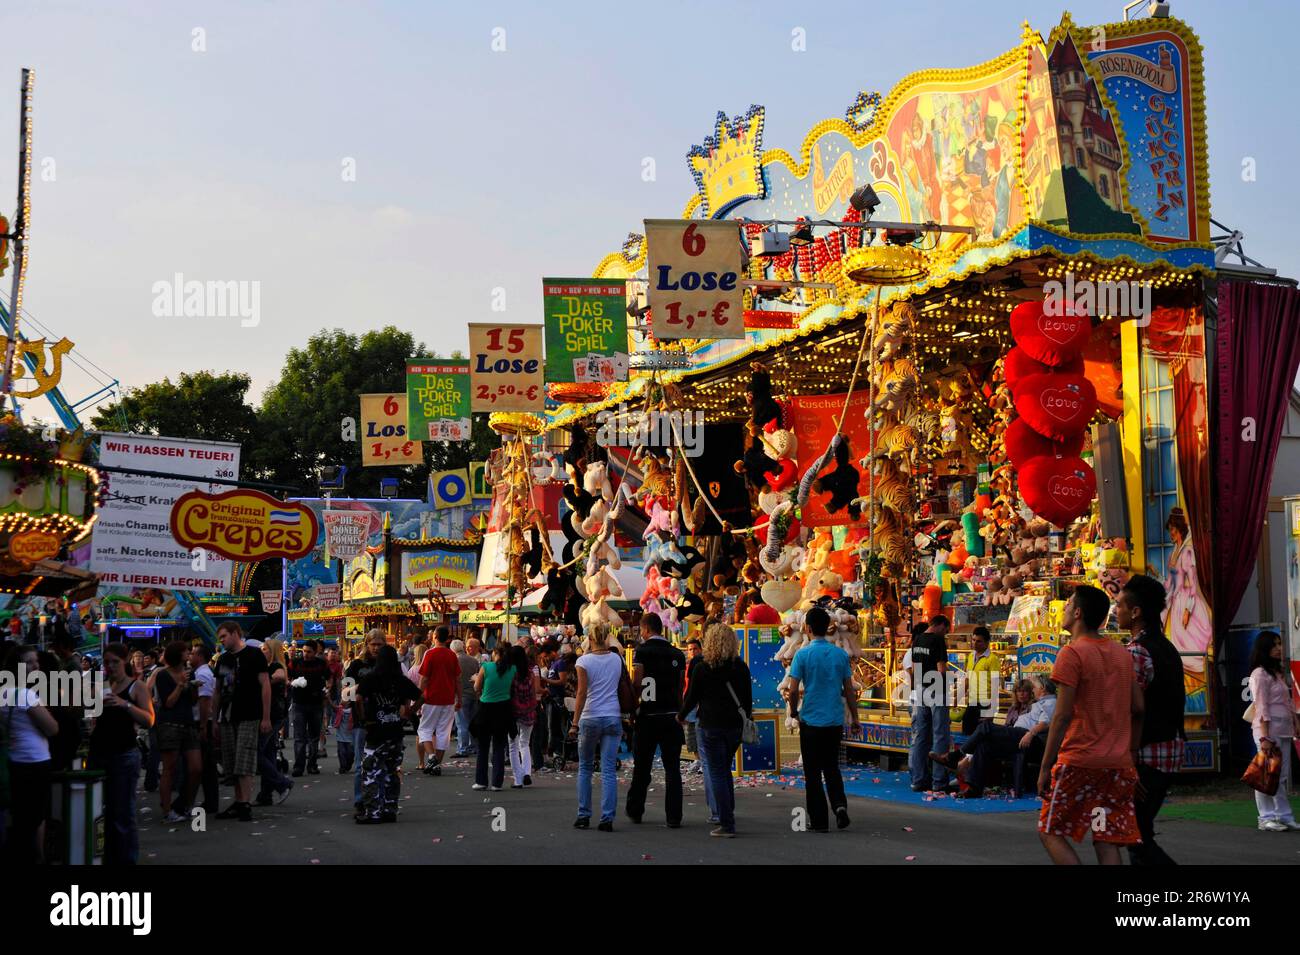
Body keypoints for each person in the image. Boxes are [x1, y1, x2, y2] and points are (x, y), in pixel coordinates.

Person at [1038, 585, 1143, 864]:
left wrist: (1046, 766)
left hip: (1080, 760)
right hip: (1117, 764)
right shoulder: (1122, 654)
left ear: (1078, 612)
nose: (1064, 608)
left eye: (1068, 603)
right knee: (1104, 835)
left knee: (1050, 830)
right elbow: (1139, 708)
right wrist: (1130, 753)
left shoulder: (1071, 654)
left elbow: (1060, 717)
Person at [1117, 574, 1186, 863]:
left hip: (1147, 753)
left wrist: (1128, 756)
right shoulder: (1165, 646)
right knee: (1138, 832)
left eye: (1120, 604)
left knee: (1136, 835)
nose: (1115, 610)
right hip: (1168, 745)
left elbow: (1131, 709)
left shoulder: (1136, 652)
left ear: (1136, 612)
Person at [787, 606, 859, 832]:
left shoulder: (802, 655)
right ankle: (839, 806)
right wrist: (855, 717)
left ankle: (818, 820)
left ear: (807, 628)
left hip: (810, 721)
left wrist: (793, 711)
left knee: (812, 773)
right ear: (828, 626)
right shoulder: (840, 654)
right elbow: (848, 690)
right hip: (834, 720)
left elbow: (792, 688)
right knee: (831, 767)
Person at [678, 623, 752, 837]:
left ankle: (725, 821)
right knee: (725, 767)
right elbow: (747, 699)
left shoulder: (703, 667)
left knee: (717, 771)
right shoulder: (740, 667)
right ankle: (728, 812)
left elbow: (691, 697)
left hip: (710, 724)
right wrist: (745, 719)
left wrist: (681, 716)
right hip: (734, 727)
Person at [932, 674, 1056, 797]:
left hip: (1030, 739)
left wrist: (1030, 734)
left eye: (1034, 687)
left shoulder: (1050, 702)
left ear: (1043, 688)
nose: (1033, 690)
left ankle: (956, 756)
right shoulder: (1038, 703)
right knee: (984, 745)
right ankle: (974, 788)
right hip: (1019, 736)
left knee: (986, 727)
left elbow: (1045, 723)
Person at [89, 643, 154, 864]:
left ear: (124, 661)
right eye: (107, 662)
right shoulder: (101, 686)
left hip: (124, 755)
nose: (110, 666)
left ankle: (127, 859)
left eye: (115, 662)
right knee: (100, 811)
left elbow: (149, 719)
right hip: (99, 752)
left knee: (122, 813)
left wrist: (125, 704)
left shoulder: (137, 687)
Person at [625, 613, 686, 827]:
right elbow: (680, 687)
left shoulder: (642, 652)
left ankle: (635, 810)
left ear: (645, 629)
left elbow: (638, 682)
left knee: (642, 766)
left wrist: (635, 707)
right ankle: (674, 816)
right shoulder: (677, 654)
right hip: (671, 715)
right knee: (673, 768)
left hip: (649, 715)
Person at [0, 644, 59, 863]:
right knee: (35, 818)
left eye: (36, 661)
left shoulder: (3, 693)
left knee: (22, 816)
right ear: (18, 667)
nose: (36, 665)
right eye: (29, 662)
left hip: (15, 759)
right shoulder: (25, 695)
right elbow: (52, 728)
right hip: (35, 762)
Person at [354, 644, 421, 823]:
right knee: (392, 771)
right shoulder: (400, 680)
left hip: (375, 730)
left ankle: (372, 812)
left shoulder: (371, 678)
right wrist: (410, 712)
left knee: (371, 772)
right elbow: (422, 696)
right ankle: (390, 809)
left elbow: (358, 698)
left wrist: (363, 718)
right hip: (395, 732)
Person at [212, 623, 271, 823]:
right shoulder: (223, 659)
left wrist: (266, 717)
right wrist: (214, 719)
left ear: (236, 633)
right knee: (231, 761)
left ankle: (245, 803)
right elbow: (217, 691)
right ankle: (238, 802)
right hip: (228, 716)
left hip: (249, 714)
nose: (221, 640)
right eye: (220, 638)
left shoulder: (254, 655)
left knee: (244, 759)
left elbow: (265, 684)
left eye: (224, 636)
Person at [569, 623, 625, 830]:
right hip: (612, 715)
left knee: (585, 767)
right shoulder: (617, 659)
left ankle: (584, 814)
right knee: (609, 769)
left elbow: (582, 693)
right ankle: (607, 818)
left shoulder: (583, 661)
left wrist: (574, 723)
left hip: (590, 716)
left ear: (590, 639)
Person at [1246, 630, 1298, 831]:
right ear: (1264, 648)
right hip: (1267, 729)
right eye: (1274, 644)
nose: (1279, 648)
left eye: (1279, 644)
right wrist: (1265, 736)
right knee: (1266, 773)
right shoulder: (1259, 674)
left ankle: (1283, 815)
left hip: (1284, 728)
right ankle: (1265, 817)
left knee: (1281, 775)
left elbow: (1287, 701)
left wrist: (1295, 722)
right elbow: (1262, 706)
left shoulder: (1277, 673)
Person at [150, 640, 202, 822]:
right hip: (169, 725)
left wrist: (193, 688)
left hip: (188, 723)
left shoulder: (190, 673)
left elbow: (193, 701)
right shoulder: (163, 675)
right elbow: (168, 703)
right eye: (186, 651)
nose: (189, 654)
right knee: (169, 769)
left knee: (196, 767)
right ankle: (167, 810)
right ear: (177, 654)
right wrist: (180, 685)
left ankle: (187, 804)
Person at [908, 615, 952, 793]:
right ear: (941, 625)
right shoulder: (937, 640)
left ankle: (918, 780)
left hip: (919, 689)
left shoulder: (918, 639)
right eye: (946, 630)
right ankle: (939, 781)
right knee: (940, 734)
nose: (946, 633)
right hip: (936, 689)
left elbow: (914, 666)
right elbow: (941, 669)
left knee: (920, 736)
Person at [344, 631, 385, 812]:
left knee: (383, 762)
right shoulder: (356, 665)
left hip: (385, 720)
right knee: (362, 763)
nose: (376, 648)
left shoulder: (388, 665)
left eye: (379, 644)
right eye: (373, 644)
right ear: (366, 644)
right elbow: (346, 693)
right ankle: (360, 799)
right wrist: (360, 689)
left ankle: (380, 798)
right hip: (362, 720)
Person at [416, 626, 462, 775]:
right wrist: (459, 698)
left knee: (424, 729)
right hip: (448, 699)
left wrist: (418, 697)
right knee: (443, 732)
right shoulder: (452, 655)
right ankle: (437, 764)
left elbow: (424, 678)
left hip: (431, 698)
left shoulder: (430, 654)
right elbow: (457, 679)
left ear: (435, 636)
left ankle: (431, 756)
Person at [471, 642, 515, 792]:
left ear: (496, 653)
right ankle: (497, 783)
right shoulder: (512, 669)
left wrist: (480, 686)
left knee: (483, 747)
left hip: (485, 708)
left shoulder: (487, 667)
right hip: (503, 709)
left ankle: (481, 781)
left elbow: (476, 687)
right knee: (499, 747)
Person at [256, 638, 293, 806]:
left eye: (264, 649)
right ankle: (265, 794)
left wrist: (266, 681)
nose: (261, 651)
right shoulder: (267, 666)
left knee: (256, 753)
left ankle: (282, 783)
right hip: (273, 714)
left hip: (273, 715)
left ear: (272, 651)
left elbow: (280, 676)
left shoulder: (275, 667)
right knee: (269, 753)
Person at [288, 639, 328, 776]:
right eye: (304, 651)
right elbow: (287, 677)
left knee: (313, 737)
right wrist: (293, 683)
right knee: (299, 737)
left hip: (316, 703)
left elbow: (329, 678)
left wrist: (327, 689)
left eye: (309, 652)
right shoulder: (295, 663)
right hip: (299, 703)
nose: (305, 654)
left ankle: (312, 765)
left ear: (315, 652)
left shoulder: (321, 664)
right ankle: (298, 766)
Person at [189, 643, 220, 813]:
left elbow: (205, 700)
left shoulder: (203, 674)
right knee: (206, 765)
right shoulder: (200, 672)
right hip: (202, 722)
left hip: (203, 723)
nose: (190, 657)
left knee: (206, 765)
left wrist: (202, 726)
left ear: (200, 656)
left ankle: (210, 802)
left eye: (192, 653)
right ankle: (210, 801)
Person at [508, 644, 541, 788]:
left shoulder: (510, 673)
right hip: (528, 711)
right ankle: (527, 772)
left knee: (513, 745)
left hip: (514, 712)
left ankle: (518, 778)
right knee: (525, 743)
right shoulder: (530, 673)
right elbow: (534, 694)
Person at [957, 626, 999, 736]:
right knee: (966, 733)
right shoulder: (971, 656)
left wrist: (992, 710)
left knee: (982, 738)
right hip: (972, 702)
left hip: (985, 703)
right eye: (974, 640)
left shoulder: (992, 659)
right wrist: (957, 700)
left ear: (987, 642)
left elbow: (995, 685)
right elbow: (967, 679)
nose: (975, 643)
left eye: (979, 641)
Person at [453, 637, 481, 758]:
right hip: (474, 695)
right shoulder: (473, 661)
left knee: (462, 724)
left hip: (461, 695)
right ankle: (473, 747)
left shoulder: (454, 660)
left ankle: (463, 748)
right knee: (472, 722)